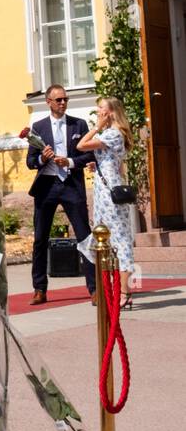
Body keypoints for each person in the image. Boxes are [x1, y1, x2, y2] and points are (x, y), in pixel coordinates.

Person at [25, 84, 95, 305]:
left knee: (85, 237)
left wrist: (71, 161)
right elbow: (30, 162)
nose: (63, 103)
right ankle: (39, 289)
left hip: (71, 185)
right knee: (40, 239)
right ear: (48, 102)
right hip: (47, 187)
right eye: (58, 100)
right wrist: (42, 159)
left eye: (65, 99)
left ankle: (94, 289)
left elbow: (89, 155)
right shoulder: (38, 127)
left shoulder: (79, 124)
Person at [76, 97, 137, 309]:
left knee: (120, 242)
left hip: (110, 195)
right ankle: (110, 290)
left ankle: (124, 293)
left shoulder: (112, 133)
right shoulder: (109, 134)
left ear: (111, 112)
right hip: (104, 191)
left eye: (101, 108)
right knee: (103, 239)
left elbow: (81, 145)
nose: (98, 110)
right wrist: (99, 165)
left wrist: (96, 127)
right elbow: (116, 164)